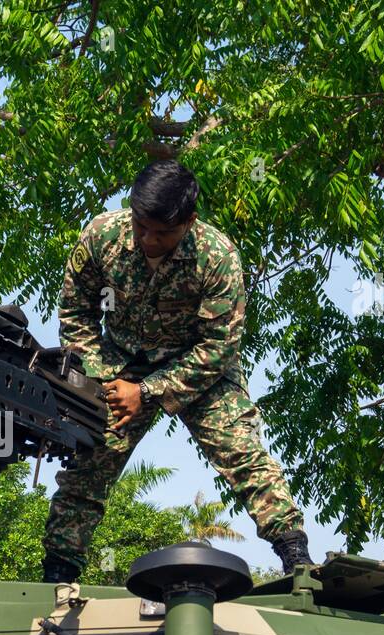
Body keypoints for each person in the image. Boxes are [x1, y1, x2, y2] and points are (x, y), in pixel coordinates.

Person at [42, 159, 312, 582]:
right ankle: (58, 573)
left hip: (197, 365)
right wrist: (96, 377)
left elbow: (219, 347)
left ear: (189, 221)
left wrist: (147, 392)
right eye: (140, 226)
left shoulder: (218, 259)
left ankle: (296, 555)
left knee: (240, 450)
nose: (148, 239)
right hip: (117, 363)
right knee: (90, 457)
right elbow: (76, 311)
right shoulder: (100, 236)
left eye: (161, 232)